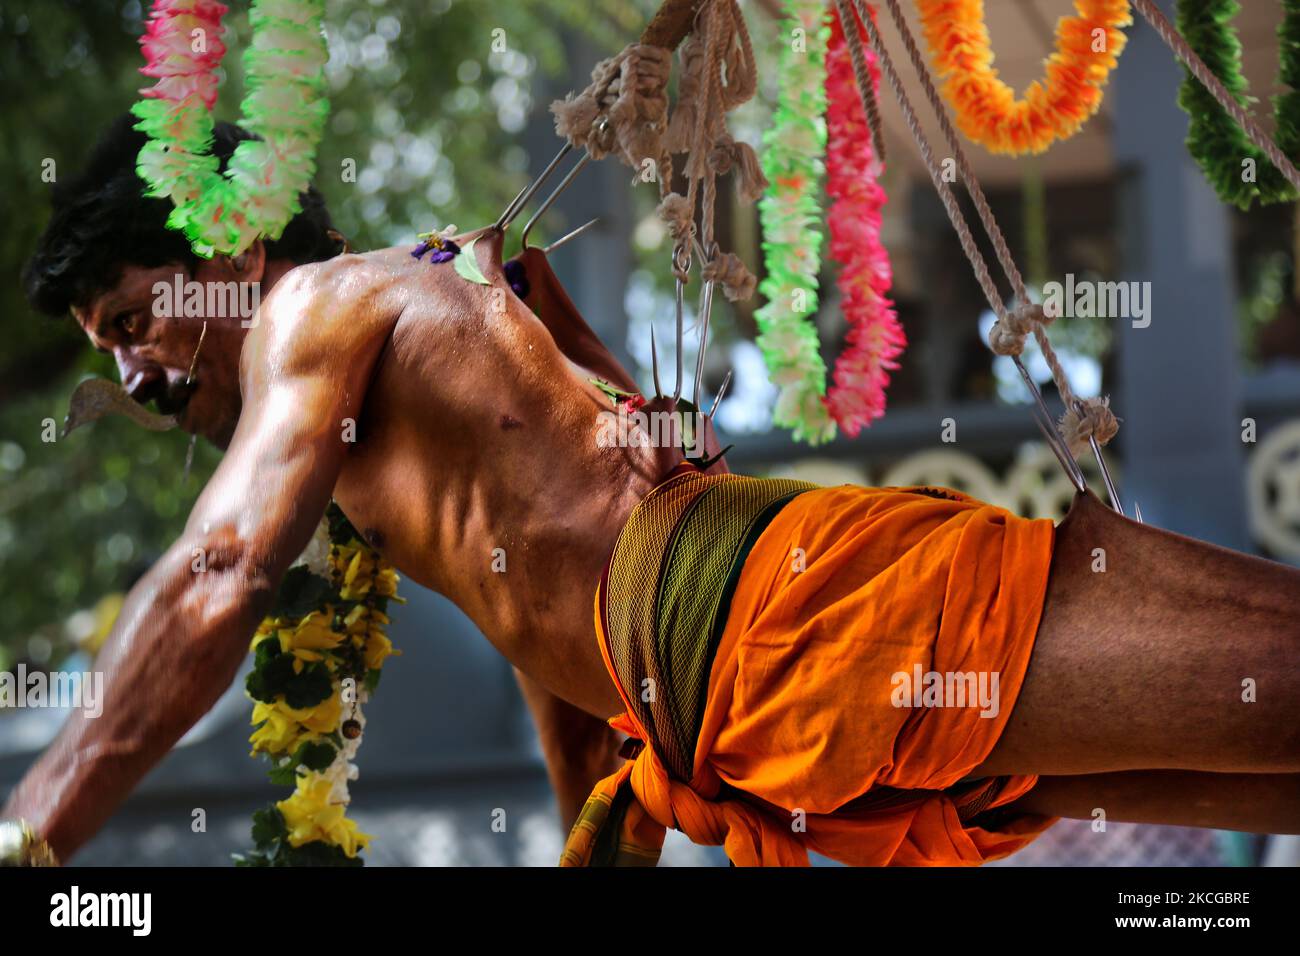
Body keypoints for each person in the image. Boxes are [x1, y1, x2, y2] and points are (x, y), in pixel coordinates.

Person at [4, 115, 1298, 867]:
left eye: (132, 318)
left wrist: (33, 833)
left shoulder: (312, 305)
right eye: (108, 351)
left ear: (225, 246)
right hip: (738, 680)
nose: (135, 371)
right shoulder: (403, 365)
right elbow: (564, 663)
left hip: (789, 622)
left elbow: (219, 571)